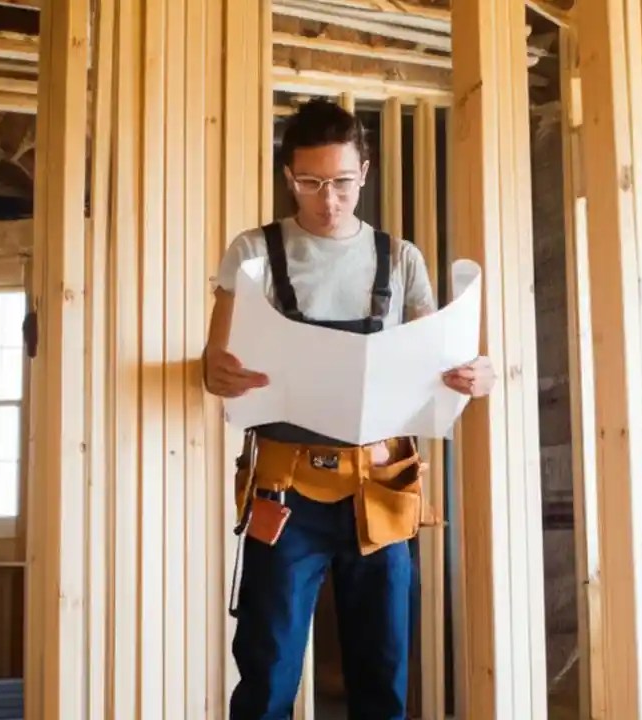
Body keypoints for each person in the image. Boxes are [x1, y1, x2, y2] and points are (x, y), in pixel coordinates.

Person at [202, 99, 494, 719]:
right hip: (283, 492)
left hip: (381, 488)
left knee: (381, 677)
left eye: (340, 182)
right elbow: (214, 363)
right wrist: (219, 372)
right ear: (289, 176)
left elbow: (438, 361)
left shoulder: (400, 258)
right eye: (309, 183)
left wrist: (477, 374)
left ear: (364, 170)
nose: (327, 199)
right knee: (267, 677)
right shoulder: (254, 252)